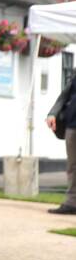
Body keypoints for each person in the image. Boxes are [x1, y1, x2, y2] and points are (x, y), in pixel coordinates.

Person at [46, 69, 76, 215]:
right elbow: (63, 97)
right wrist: (52, 114)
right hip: (72, 126)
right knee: (72, 166)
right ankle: (71, 204)